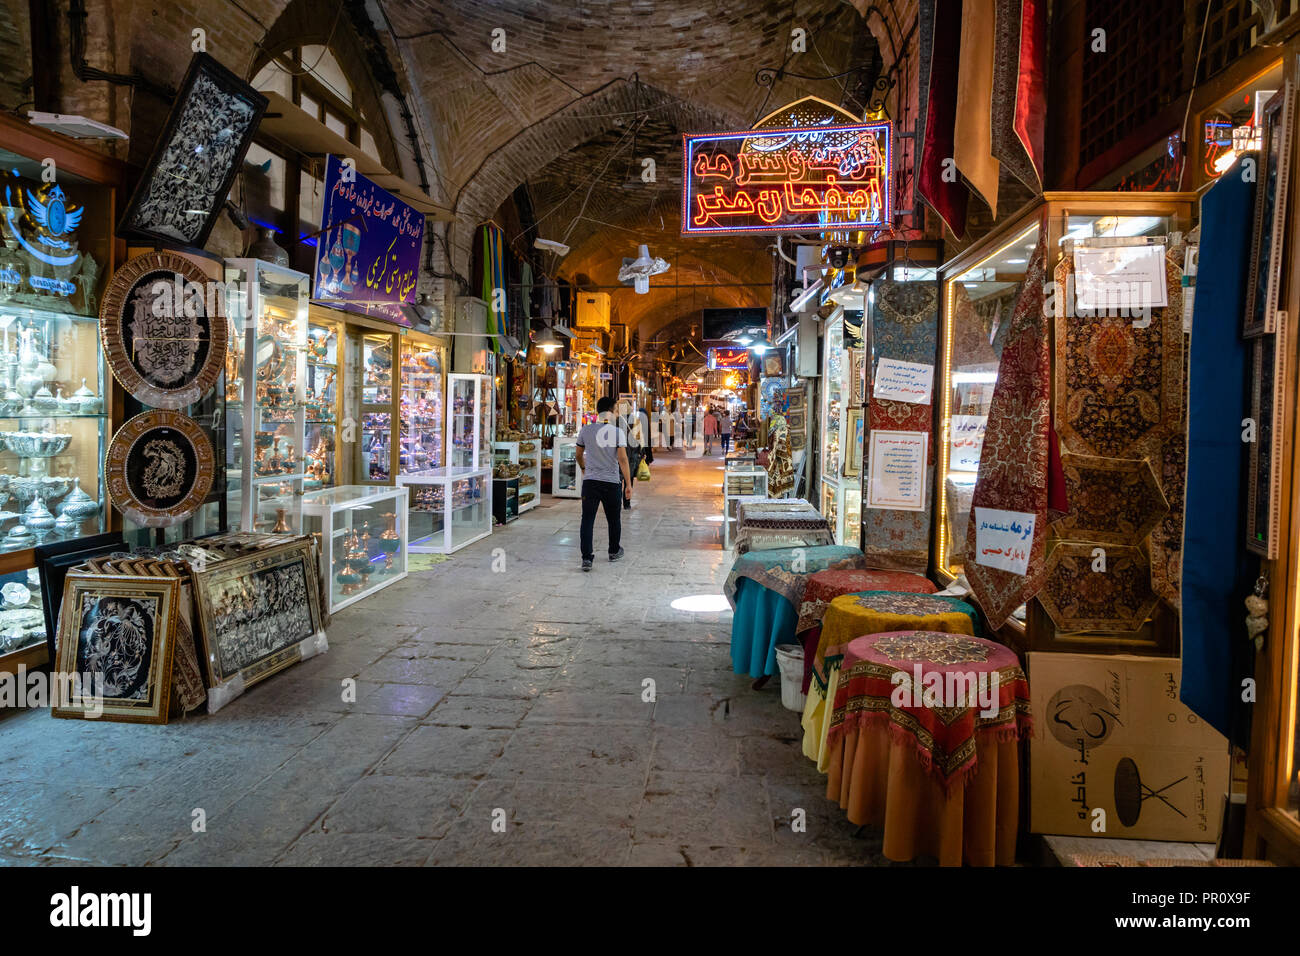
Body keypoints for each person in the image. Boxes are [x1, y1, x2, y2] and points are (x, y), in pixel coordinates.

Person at [575, 396, 632, 571]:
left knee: (587, 520)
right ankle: (614, 551)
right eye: (616, 409)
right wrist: (628, 485)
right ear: (611, 411)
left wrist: (584, 468)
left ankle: (586, 558)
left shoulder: (586, 430)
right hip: (611, 483)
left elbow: (578, 454)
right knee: (613, 519)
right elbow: (622, 459)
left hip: (591, 482)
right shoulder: (617, 433)